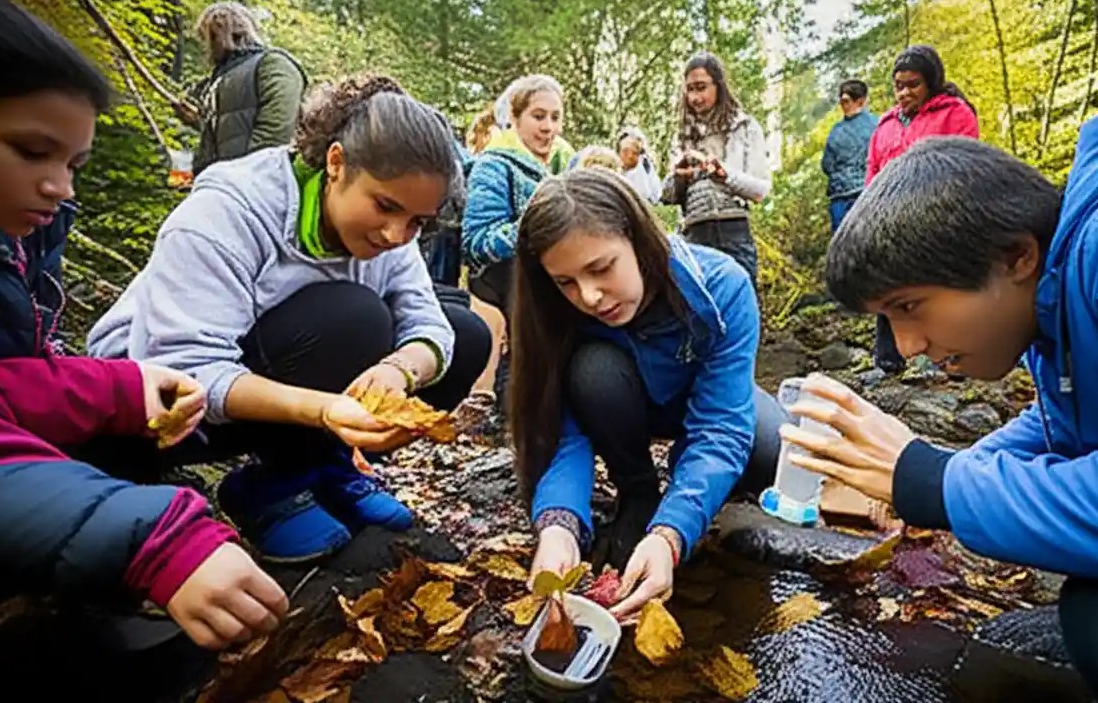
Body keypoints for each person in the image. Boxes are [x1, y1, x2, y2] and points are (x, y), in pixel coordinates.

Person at [783, 90, 1098, 702]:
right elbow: (1065, 417)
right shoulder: (1058, 294)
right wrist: (936, 473)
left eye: (909, 307)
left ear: (1016, 257)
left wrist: (938, 484)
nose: (903, 347)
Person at [0, 0, 285, 654]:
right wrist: (156, 538)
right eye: (32, 152)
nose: (61, 187)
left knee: (134, 425)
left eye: (73, 163)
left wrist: (124, 388)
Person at [88, 75, 492, 563]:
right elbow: (184, 370)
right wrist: (324, 410)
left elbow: (429, 325)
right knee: (356, 317)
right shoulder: (230, 209)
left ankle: (323, 471)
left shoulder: (394, 237)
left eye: (417, 221)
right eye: (385, 207)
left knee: (467, 333)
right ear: (336, 163)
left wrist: (399, 370)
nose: (395, 233)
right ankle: (270, 493)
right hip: (153, 409)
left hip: (281, 377)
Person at [514, 168, 784, 622]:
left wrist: (671, 533)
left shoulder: (722, 286)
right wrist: (558, 526)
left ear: (639, 239)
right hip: (614, 401)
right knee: (593, 371)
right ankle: (637, 489)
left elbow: (721, 426)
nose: (591, 297)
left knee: (769, 449)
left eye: (601, 268)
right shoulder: (557, 316)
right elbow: (566, 435)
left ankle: (679, 494)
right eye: (566, 282)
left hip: (703, 403)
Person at [865, 44, 978, 374]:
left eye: (912, 84)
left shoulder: (954, 113)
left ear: (931, 82)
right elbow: (873, 168)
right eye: (898, 85)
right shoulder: (886, 123)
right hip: (891, 218)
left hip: (938, 216)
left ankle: (953, 356)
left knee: (939, 287)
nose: (904, 92)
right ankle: (888, 358)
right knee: (889, 286)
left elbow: (966, 163)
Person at [663, 52, 771, 288]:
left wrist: (724, 173)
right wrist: (679, 178)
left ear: (718, 86)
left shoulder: (745, 127)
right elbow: (666, 196)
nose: (695, 97)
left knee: (740, 311)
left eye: (701, 88)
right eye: (689, 89)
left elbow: (760, 189)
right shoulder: (682, 134)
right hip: (695, 236)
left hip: (733, 232)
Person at [462, 74, 567, 314]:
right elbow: (476, 245)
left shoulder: (558, 167)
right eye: (538, 116)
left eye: (555, 117)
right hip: (509, 304)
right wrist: (538, 225)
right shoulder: (493, 166)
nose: (548, 127)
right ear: (514, 117)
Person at [175, 2, 307, 176]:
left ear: (221, 33)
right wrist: (198, 121)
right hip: (223, 187)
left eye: (207, 37)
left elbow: (277, 131)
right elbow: (233, 133)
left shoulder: (273, 64)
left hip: (257, 187)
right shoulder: (221, 78)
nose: (206, 47)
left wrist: (245, 178)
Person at [821, 80, 877, 233]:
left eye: (846, 101)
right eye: (842, 101)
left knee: (844, 241)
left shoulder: (837, 131)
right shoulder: (877, 124)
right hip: (860, 192)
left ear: (860, 100)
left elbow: (827, 165)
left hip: (858, 193)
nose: (843, 105)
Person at [615, 127, 662, 204]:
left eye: (634, 152)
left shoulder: (642, 169)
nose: (630, 156)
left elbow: (648, 196)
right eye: (625, 151)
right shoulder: (613, 169)